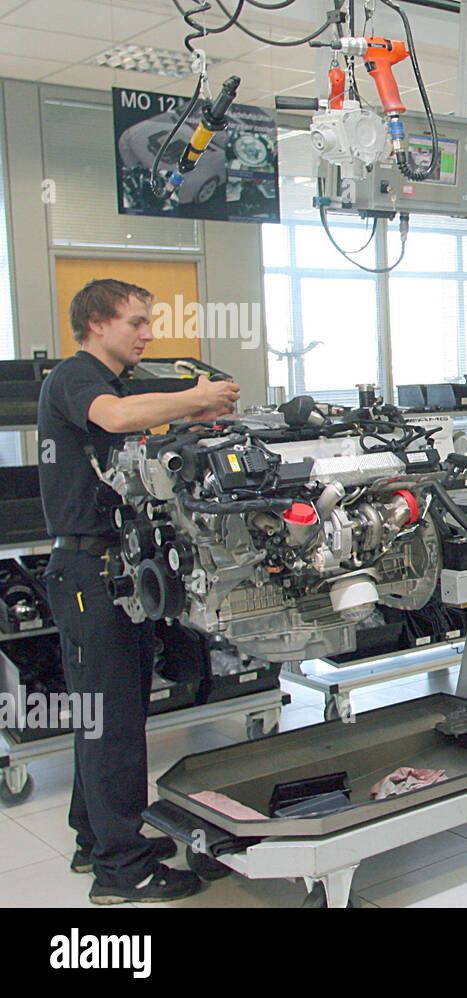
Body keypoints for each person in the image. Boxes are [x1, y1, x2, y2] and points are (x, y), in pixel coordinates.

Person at [37, 279, 240, 903]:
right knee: (114, 726)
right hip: (88, 579)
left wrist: (195, 413)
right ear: (97, 324)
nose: (149, 333)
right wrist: (190, 396)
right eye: (137, 323)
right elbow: (120, 418)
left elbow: (132, 428)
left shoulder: (112, 385)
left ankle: (94, 838)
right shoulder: (77, 379)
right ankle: (123, 874)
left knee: (107, 717)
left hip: (111, 574)